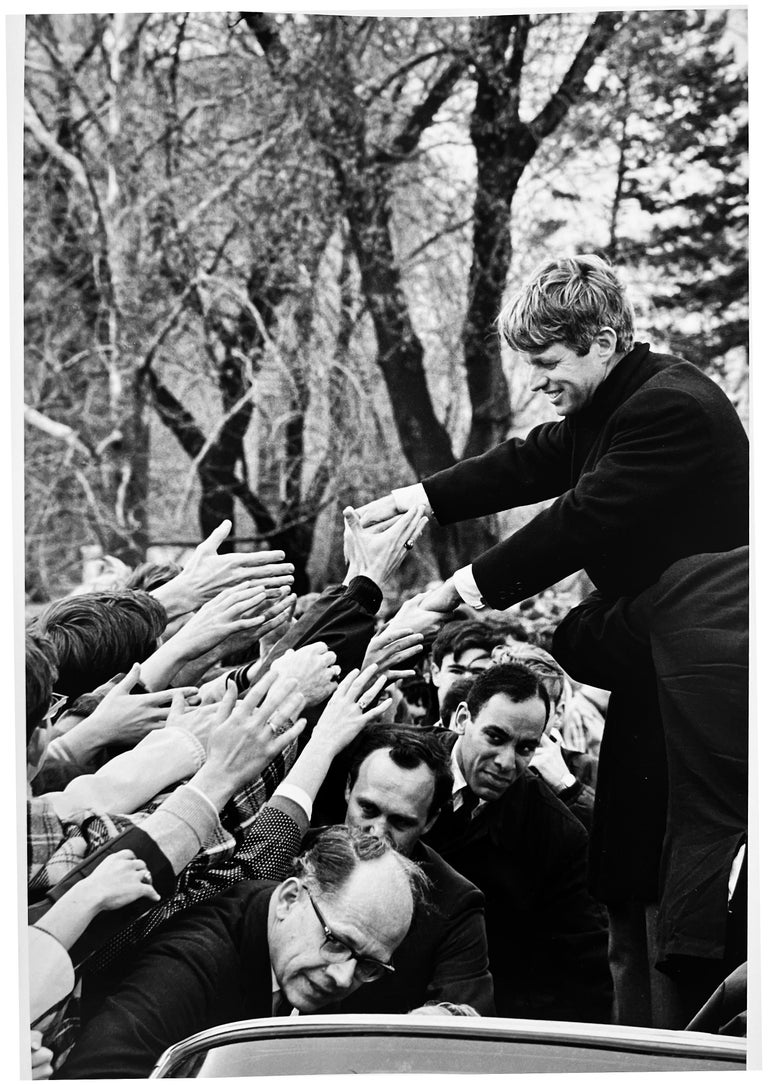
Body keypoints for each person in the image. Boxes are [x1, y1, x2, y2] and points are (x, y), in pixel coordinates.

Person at [356, 254, 748, 1027]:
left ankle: (682, 1050)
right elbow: (531, 461)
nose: (537, 381)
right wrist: (416, 500)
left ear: (603, 341)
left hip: (703, 687)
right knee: (628, 897)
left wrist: (447, 595)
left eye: (547, 362)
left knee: (675, 908)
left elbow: (578, 520)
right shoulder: (615, 405)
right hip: (652, 677)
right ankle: (634, 1040)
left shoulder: (672, 408)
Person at [57, 827, 427, 1079]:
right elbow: (95, 1075)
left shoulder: (303, 938)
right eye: (336, 943)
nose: (343, 977)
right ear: (289, 898)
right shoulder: (191, 963)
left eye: (369, 966)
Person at [425, 662, 612, 1023]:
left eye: (526, 747)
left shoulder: (558, 834)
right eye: (495, 737)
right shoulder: (398, 761)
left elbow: (583, 971)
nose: (507, 762)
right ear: (463, 718)